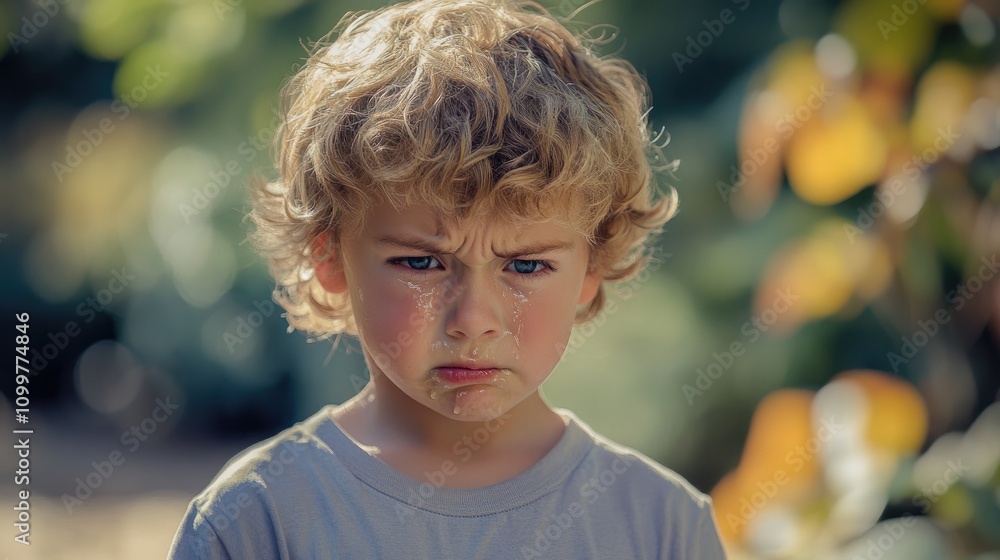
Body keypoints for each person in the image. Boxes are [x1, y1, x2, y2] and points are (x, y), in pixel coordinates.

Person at [167, 0, 726, 557]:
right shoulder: (256, 519)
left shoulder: (662, 526)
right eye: (421, 263)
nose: (473, 321)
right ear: (331, 258)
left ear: (592, 267)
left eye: (526, 266)